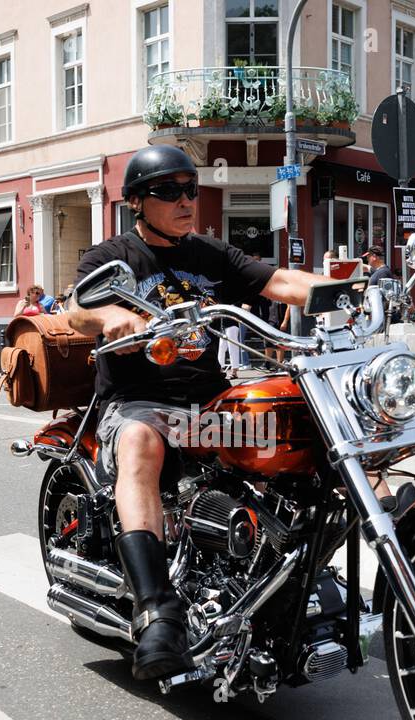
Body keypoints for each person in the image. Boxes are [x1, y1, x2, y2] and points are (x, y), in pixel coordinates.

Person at [66, 144, 328, 681]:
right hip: (139, 402)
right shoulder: (113, 257)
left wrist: (353, 290)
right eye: (169, 191)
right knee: (141, 441)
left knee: (304, 430)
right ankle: (157, 610)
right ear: (137, 201)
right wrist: (113, 315)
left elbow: (280, 281)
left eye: (191, 189)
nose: (186, 200)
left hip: (206, 404)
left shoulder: (211, 253)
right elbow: (77, 309)